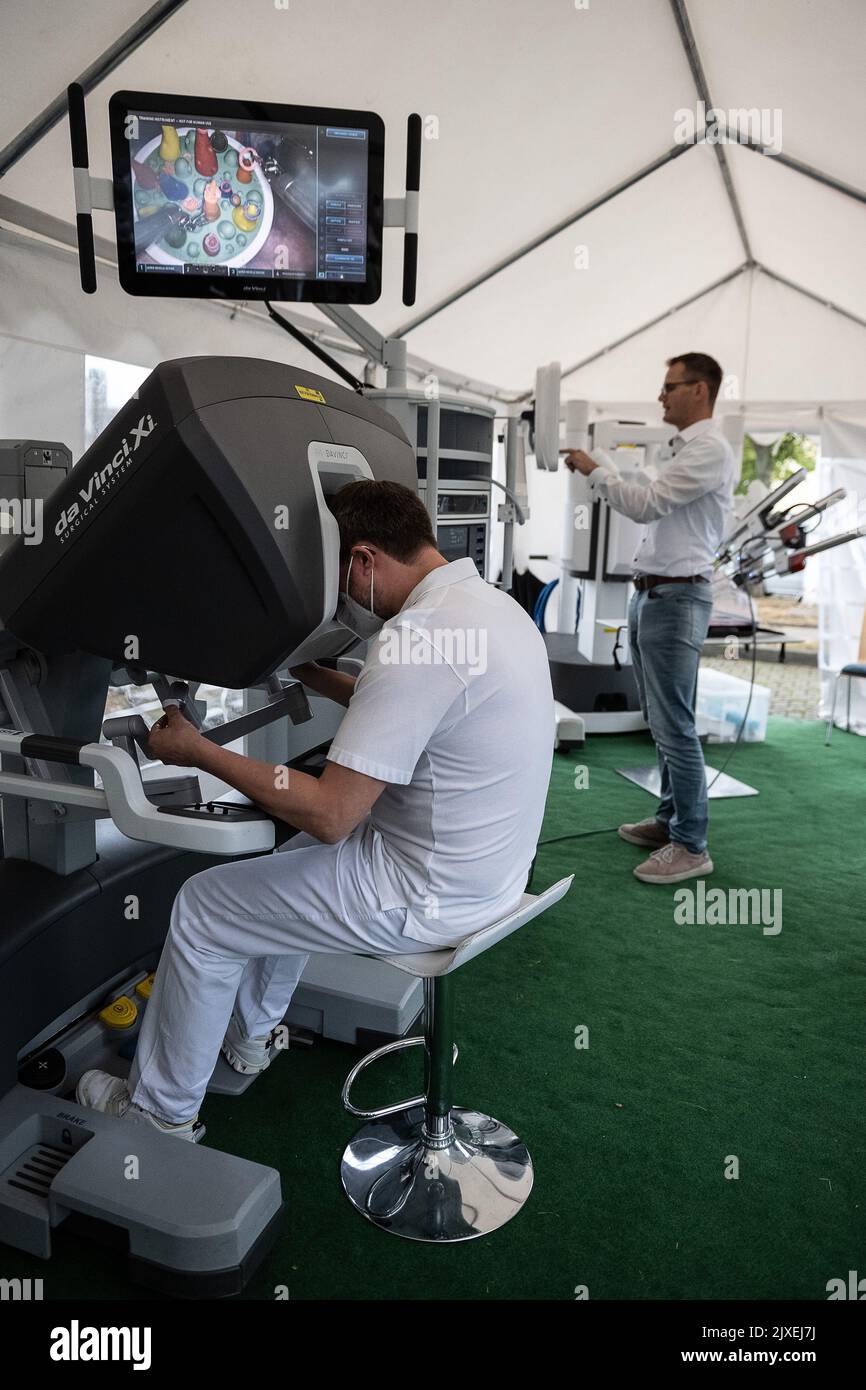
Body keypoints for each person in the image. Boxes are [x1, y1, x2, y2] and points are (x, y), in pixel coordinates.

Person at [77, 480, 554, 1138]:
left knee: (205, 907)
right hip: (492, 875)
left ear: (362, 560)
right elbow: (407, 701)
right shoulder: (488, 609)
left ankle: (159, 1117)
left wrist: (194, 750)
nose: (339, 597)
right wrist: (305, 670)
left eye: (336, 576)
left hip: (427, 893)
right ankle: (250, 1038)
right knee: (290, 867)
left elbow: (332, 813)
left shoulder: (416, 637)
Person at [564, 353, 736, 885]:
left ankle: (692, 844)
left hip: (676, 600)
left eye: (670, 387)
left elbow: (646, 503)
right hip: (655, 596)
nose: (661, 396)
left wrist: (597, 471)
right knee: (662, 723)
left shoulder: (709, 449)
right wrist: (606, 473)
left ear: (701, 391)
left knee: (675, 726)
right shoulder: (688, 449)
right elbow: (649, 496)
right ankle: (670, 821)